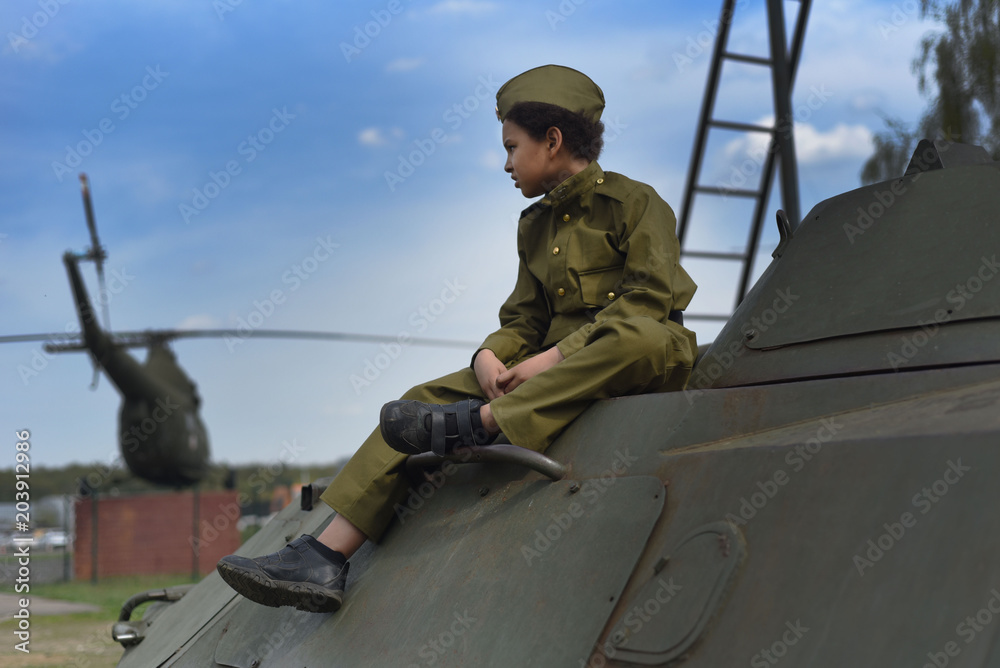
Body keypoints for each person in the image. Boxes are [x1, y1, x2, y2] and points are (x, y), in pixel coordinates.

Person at [216, 64, 698, 613]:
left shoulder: (636, 205)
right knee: (420, 402)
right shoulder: (535, 227)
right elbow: (523, 318)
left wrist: (552, 359)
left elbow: (647, 302)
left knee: (639, 338)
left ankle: (483, 423)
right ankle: (323, 557)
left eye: (512, 147)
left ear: (553, 141)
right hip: (545, 365)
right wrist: (490, 355)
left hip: (634, 356)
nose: (506, 163)